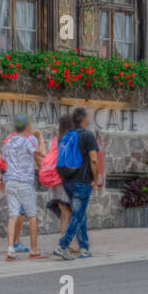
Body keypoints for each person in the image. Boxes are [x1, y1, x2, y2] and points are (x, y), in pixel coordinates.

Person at [53, 107, 101, 261]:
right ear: (84, 118)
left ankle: (84, 248)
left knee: (80, 215)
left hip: (68, 180)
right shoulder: (87, 135)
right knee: (78, 215)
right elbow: (93, 159)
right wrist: (95, 178)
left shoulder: (67, 134)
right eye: (89, 115)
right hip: (82, 180)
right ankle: (63, 245)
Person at [0, 115, 44, 260]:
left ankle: (11, 250)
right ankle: (34, 249)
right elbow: (41, 153)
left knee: (13, 215)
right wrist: (40, 137)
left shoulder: (8, 142)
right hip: (24, 183)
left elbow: (4, 162)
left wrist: (2, 179)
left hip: (10, 182)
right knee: (32, 216)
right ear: (27, 126)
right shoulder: (29, 140)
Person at [42, 115, 77, 255]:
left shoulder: (55, 140)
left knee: (64, 214)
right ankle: (67, 244)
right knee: (70, 214)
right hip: (67, 181)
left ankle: (66, 242)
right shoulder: (72, 140)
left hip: (56, 182)